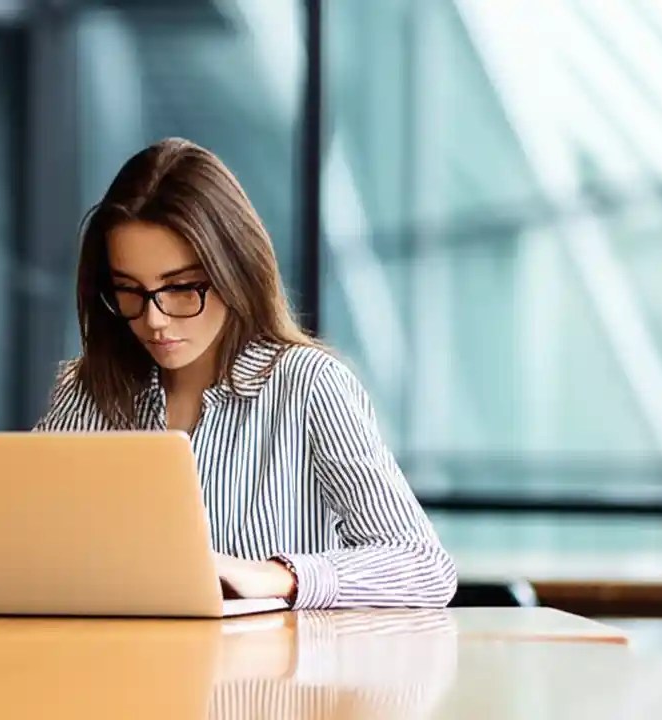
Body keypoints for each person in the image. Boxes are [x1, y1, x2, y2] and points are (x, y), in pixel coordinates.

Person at [34, 137, 457, 609]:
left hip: (262, 680)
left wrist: (277, 576)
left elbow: (424, 566)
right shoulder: (85, 392)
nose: (154, 319)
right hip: (112, 671)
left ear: (234, 269)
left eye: (181, 288)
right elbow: (28, 541)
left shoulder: (308, 385)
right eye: (130, 291)